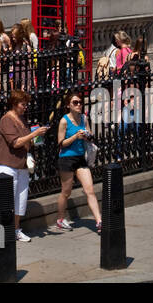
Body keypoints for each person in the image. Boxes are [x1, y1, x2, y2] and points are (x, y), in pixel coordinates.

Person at [0, 89, 48, 243]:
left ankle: (16, 229)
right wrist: (33, 135)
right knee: (7, 200)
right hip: (7, 164)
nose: (25, 107)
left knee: (20, 200)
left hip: (22, 164)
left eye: (26, 104)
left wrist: (35, 139)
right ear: (14, 104)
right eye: (23, 104)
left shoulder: (22, 119)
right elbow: (15, 142)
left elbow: (26, 141)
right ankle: (5, 231)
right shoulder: (6, 120)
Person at [54, 92, 103, 231]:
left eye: (80, 102)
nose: (78, 105)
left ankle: (99, 221)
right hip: (67, 158)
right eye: (75, 102)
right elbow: (61, 143)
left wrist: (87, 136)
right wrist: (76, 136)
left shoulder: (83, 118)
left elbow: (90, 135)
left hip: (81, 158)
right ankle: (60, 219)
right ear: (68, 105)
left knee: (90, 190)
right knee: (66, 192)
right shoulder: (64, 121)